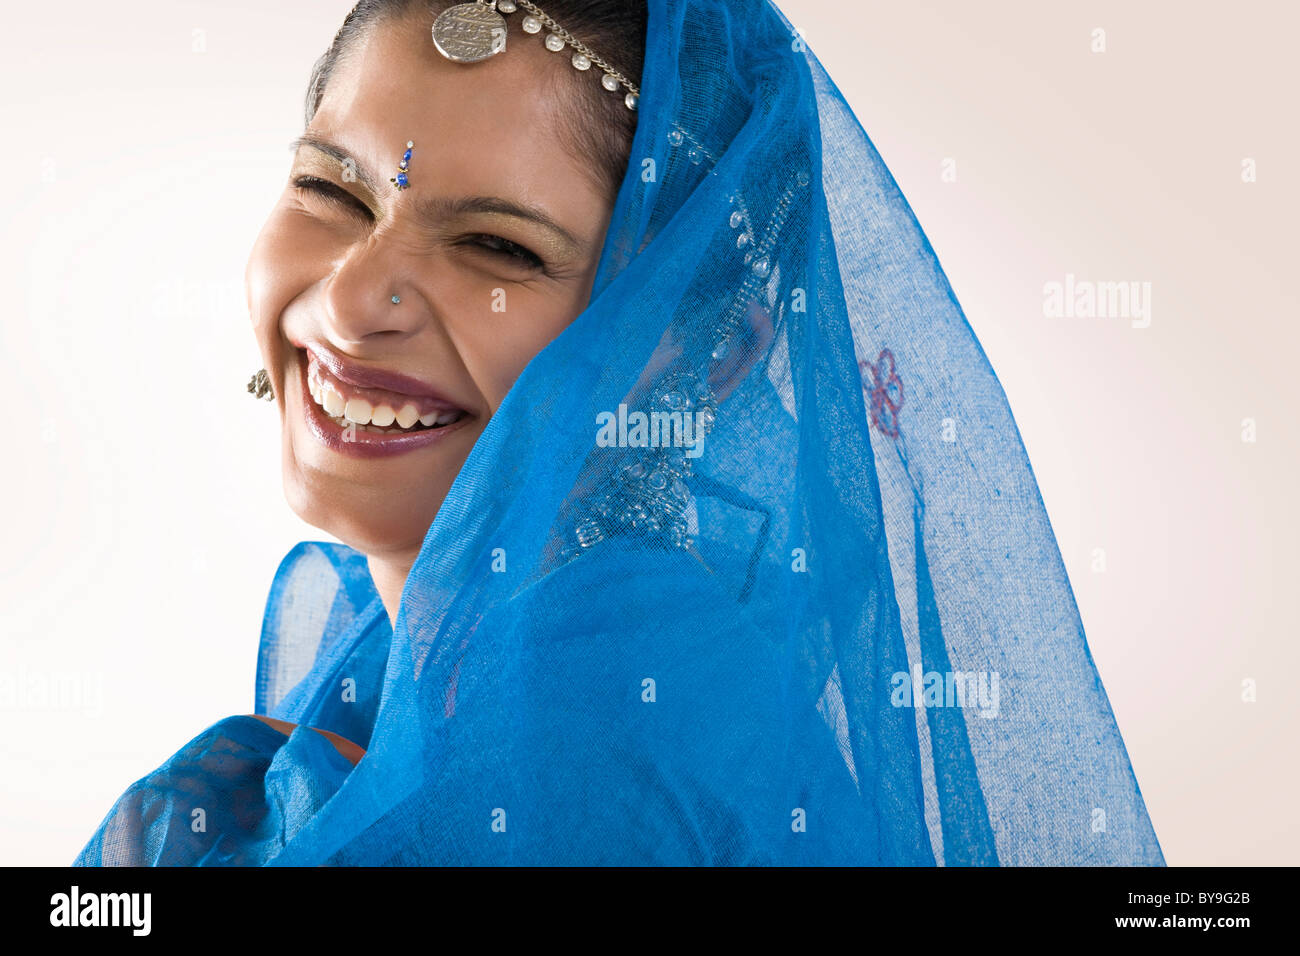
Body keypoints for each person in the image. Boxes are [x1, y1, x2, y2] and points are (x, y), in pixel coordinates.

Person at [75, 0, 1165, 866]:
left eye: (498, 250)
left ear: (703, 346)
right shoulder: (476, 649)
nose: (354, 301)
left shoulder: (587, 759)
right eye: (331, 187)